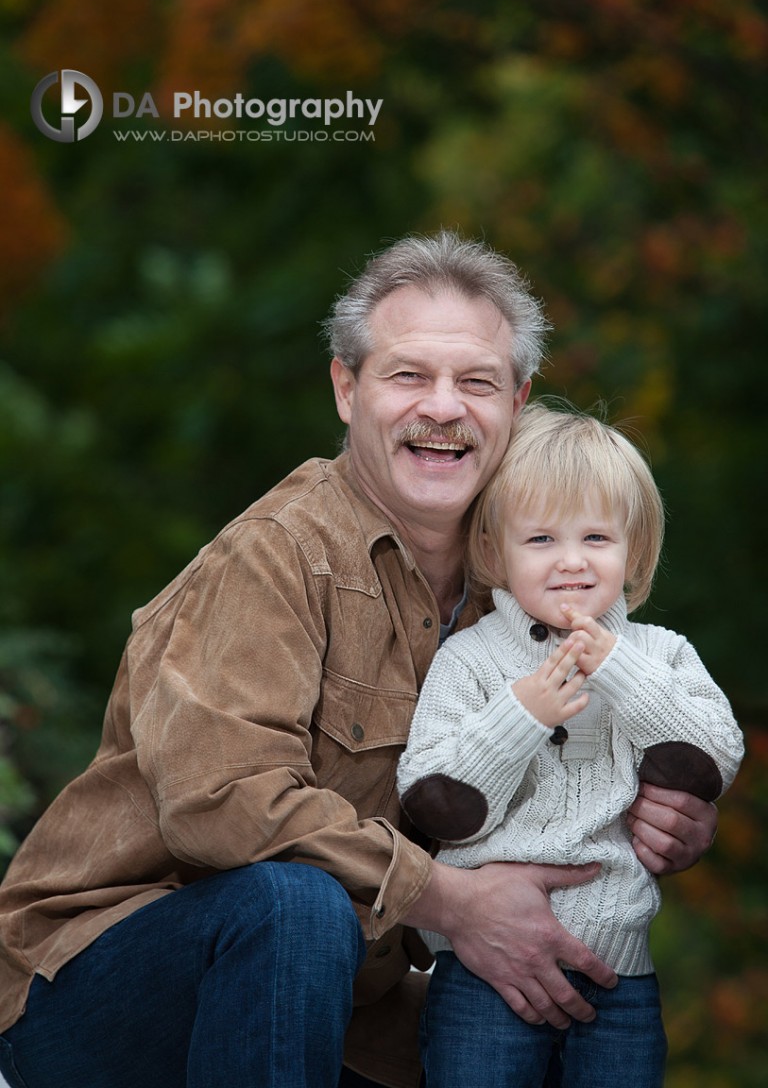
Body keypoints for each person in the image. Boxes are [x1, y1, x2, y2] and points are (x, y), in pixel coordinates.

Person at [0, 233, 719, 1088]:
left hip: (339, 1006)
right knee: (294, 906)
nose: (443, 408)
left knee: (542, 1012)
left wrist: (666, 808)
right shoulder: (275, 557)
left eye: (477, 382)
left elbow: (619, 750)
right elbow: (220, 808)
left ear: (518, 404)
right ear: (348, 389)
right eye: (408, 375)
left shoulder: (530, 597)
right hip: (98, 991)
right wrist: (451, 901)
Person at [397, 401, 744, 1088]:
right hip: (481, 978)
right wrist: (520, 715)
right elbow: (433, 801)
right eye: (542, 540)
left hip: (620, 977)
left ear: (633, 550)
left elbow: (713, 759)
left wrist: (617, 670)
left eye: (596, 538)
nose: (572, 563)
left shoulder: (660, 654)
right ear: (495, 552)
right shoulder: (468, 660)